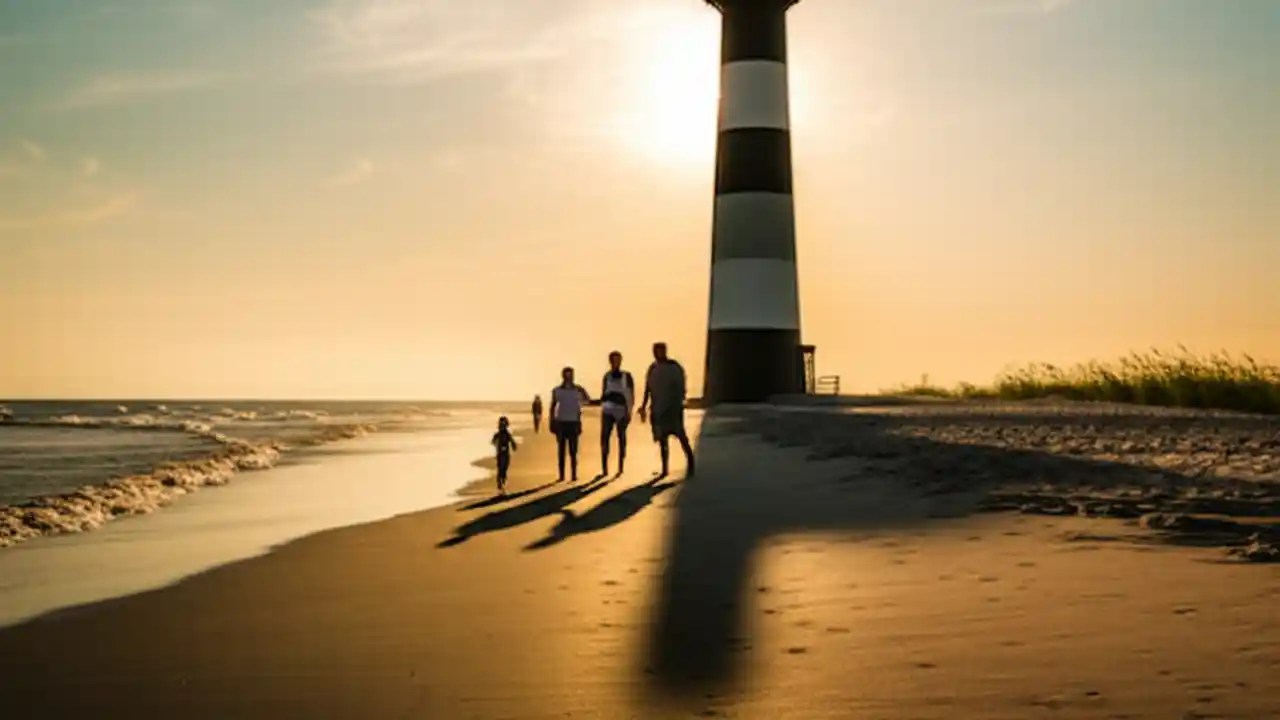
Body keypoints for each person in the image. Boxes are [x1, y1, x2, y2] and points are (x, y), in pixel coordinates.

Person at [638, 342, 695, 478]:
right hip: (658, 409)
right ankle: (665, 469)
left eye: (659, 351)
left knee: (681, 437)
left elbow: (681, 387)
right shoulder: (652, 368)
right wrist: (643, 406)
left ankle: (691, 464)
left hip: (673, 409)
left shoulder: (674, 367)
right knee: (662, 441)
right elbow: (648, 388)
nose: (657, 353)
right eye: (655, 351)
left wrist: (678, 403)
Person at [550, 367, 591, 483]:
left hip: (574, 422)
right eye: (566, 375)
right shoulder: (557, 390)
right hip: (561, 422)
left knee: (573, 451)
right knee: (561, 450)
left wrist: (584, 392)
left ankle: (574, 474)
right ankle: (561, 475)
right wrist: (552, 422)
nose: (568, 377)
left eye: (570, 375)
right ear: (563, 376)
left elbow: (587, 401)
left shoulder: (578, 389)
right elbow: (552, 406)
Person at [599, 350, 635, 477]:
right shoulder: (607, 376)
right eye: (613, 360)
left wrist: (629, 411)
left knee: (622, 439)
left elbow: (631, 395)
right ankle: (604, 468)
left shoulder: (627, 376)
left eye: (618, 360)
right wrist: (605, 399)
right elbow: (603, 393)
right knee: (604, 438)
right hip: (607, 410)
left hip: (621, 410)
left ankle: (621, 466)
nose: (615, 362)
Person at [491, 416, 518, 494]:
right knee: (501, 470)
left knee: (503, 470)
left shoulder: (506, 434)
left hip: (504, 454)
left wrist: (513, 446)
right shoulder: (499, 434)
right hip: (501, 454)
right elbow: (493, 442)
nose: (502, 426)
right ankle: (501, 486)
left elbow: (512, 442)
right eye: (501, 425)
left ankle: (502, 485)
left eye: (503, 425)